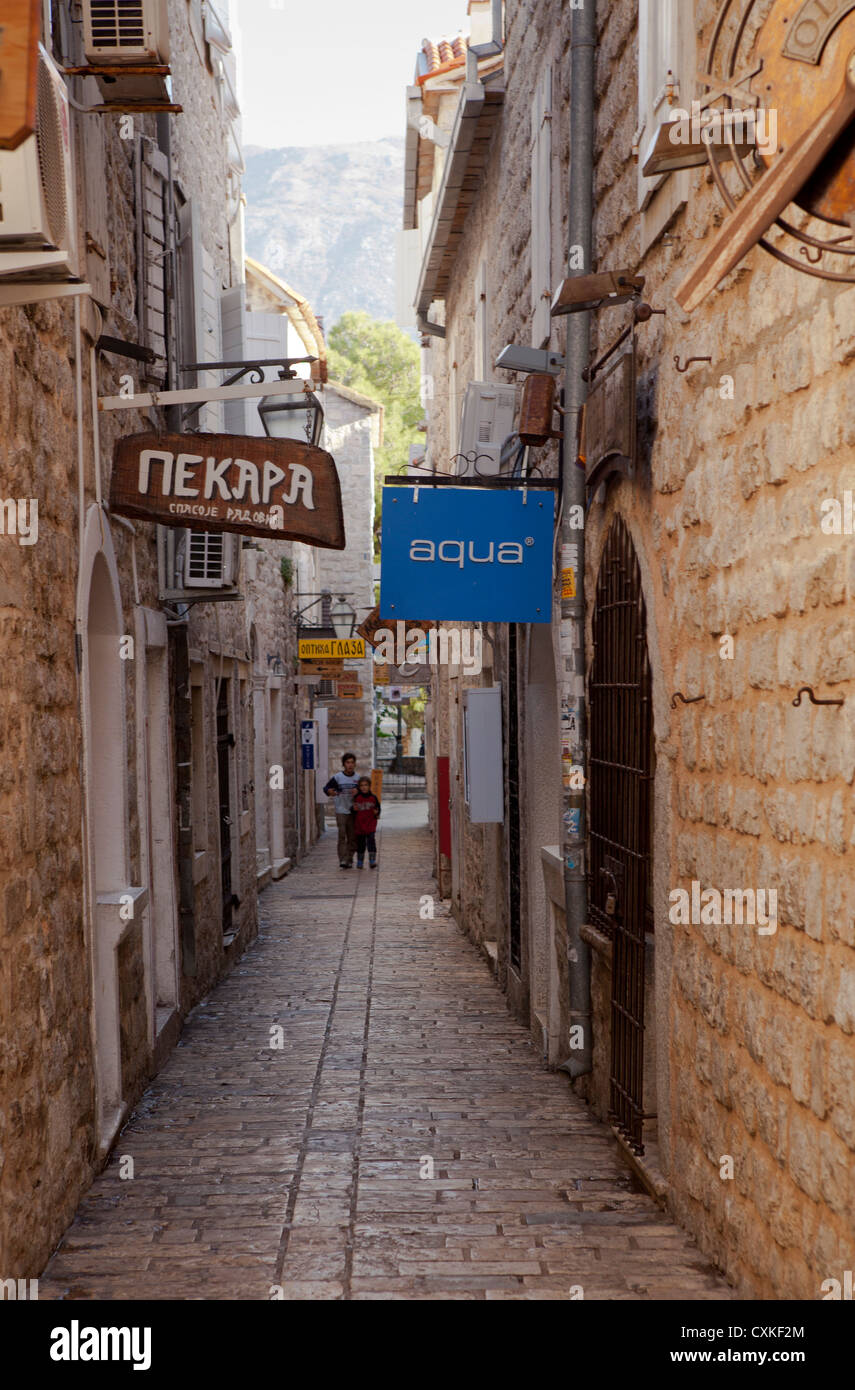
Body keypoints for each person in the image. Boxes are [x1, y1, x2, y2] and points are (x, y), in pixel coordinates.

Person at [323, 752, 359, 868]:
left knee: (352, 837)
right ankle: (343, 859)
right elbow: (326, 788)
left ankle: (349, 858)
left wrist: (358, 792)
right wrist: (329, 791)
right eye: (348, 762)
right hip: (341, 810)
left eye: (352, 762)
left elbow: (365, 793)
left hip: (353, 811)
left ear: (355, 764)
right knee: (342, 835)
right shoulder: (338, 777)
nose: (350, 765)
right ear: (344, 764)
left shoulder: (358, 778)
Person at [352, 776, 381, 869]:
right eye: (362, 785)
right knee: (360, 843)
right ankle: (360, 861)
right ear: (359, 787)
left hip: (370, 824)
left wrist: (377, 813)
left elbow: (378, 808)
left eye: (366, 785)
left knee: (371, 841)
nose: (364, 787)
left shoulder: (373, 798)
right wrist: (353, 809)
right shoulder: (357, 797)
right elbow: (353, 810)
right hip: (360, 824)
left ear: (369, 786)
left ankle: (372, 860)